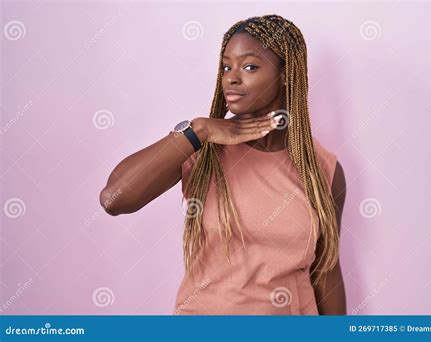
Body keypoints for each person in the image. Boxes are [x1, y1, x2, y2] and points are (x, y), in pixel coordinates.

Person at [100, 14, 347, 315]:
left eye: (250, 66)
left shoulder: (322, 169)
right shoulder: (200, 151)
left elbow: (326, 271)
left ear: (286, 74)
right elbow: (114, 199)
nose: (231, 77)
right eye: (226, 66)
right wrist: (198, 131)